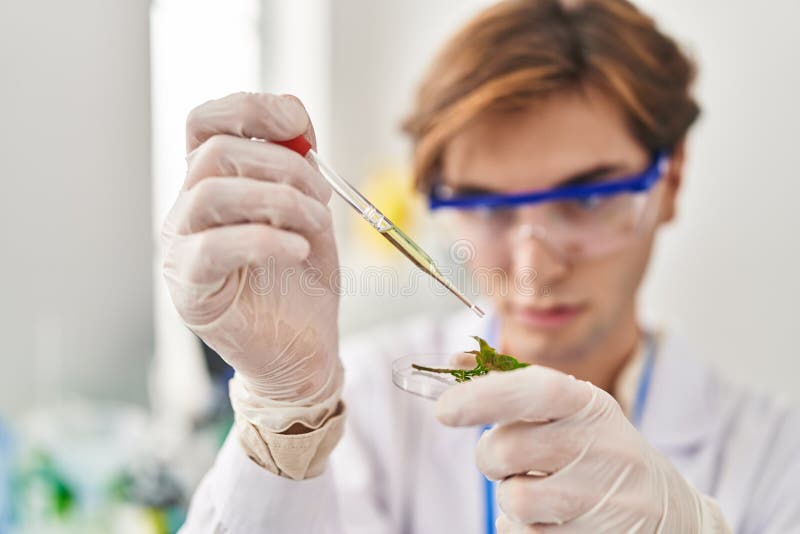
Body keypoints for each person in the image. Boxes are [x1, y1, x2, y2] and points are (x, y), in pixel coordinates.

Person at [162, 0, 800, 532]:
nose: (534, 266)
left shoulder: (775, 455)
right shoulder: (363, 406)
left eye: (588, 199)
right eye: (485, 206)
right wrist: (284, 415)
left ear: (673, 180)